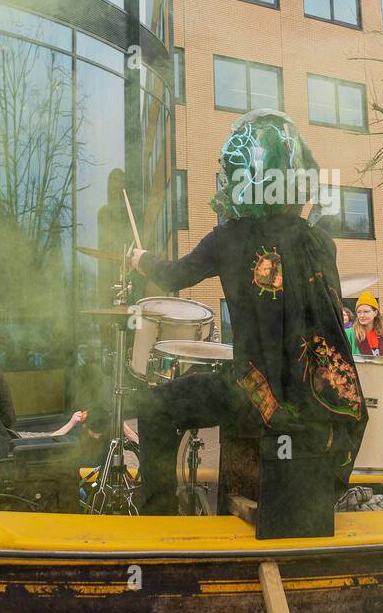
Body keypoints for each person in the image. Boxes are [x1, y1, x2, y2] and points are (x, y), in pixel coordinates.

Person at [127, 110, 366, 516]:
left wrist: (140, 259)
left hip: (251, 396)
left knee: (155, 408)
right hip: (316, 407)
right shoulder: (321, 243)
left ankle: (158, 521)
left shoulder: (227, 239)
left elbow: (173, 276)